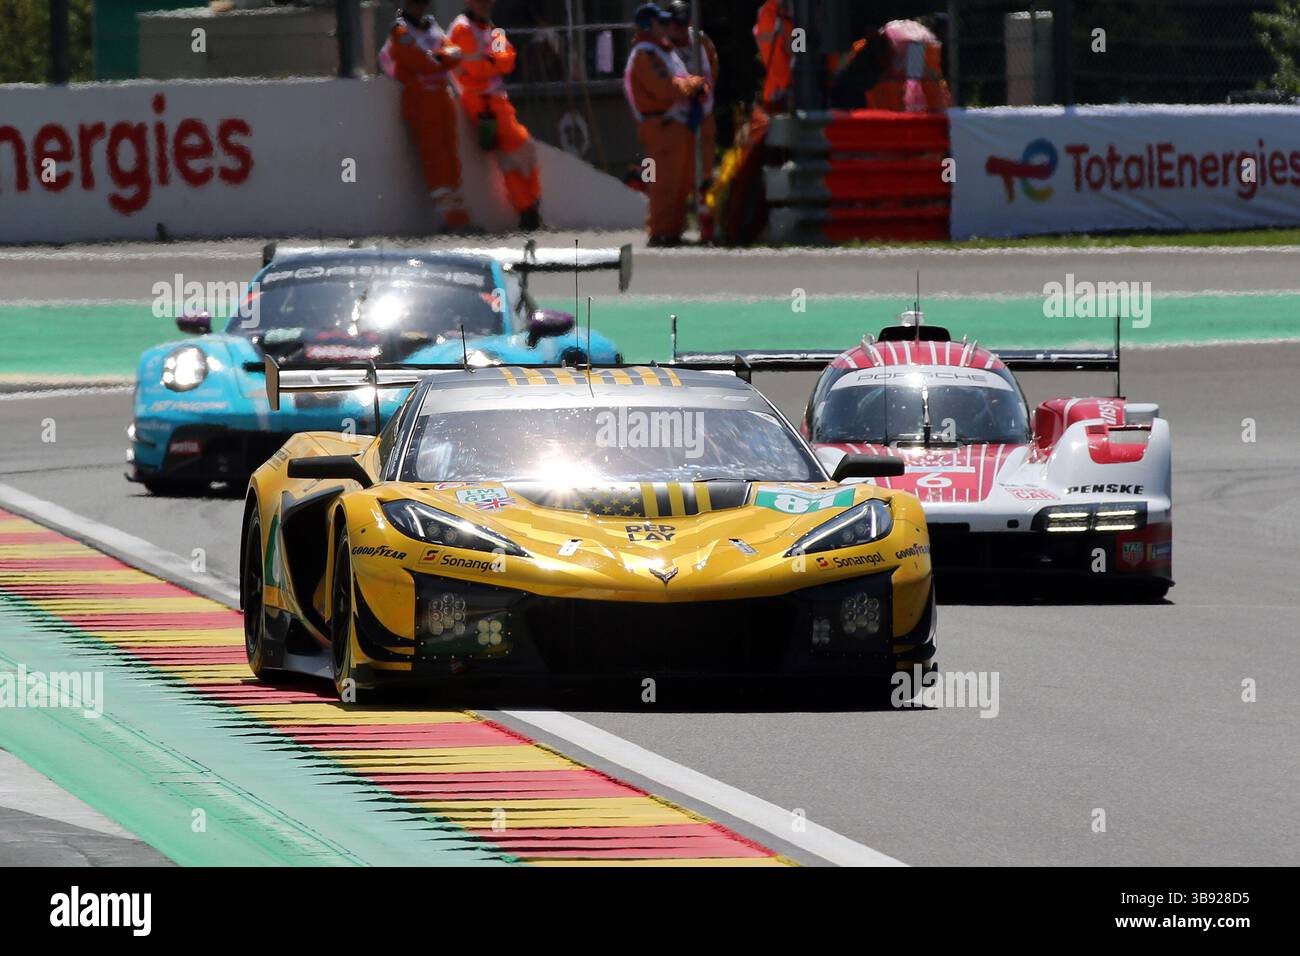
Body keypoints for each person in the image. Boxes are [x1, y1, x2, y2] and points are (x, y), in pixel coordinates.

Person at [449, 0, 543, 230]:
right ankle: (529, 205)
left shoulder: (493, 28)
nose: (485, 4)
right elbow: (475, 69)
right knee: (522, 147)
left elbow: (508, 61)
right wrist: (494, 62)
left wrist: (492, 62)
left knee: (512, 157)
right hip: (482, 102)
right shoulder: (462, 28)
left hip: (496, 100)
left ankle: (528, 209)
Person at [623, 3, 709, 246]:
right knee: (665, 184)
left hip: (674, 125)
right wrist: (694, 85)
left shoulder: (662, 51)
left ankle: (672, 231)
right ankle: (660, 233)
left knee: (679, 183)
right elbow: (666, 87)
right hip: (661, 126)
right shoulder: (645, 55)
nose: (668, 26)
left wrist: (695, 86)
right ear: (647, 26)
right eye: (661, 22)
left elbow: (682, 82)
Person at [380, 0, 469, 231]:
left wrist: (436, 58)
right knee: (435, 157)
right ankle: (448, 218)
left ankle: (459, 216)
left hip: (442, 98)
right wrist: (441, 58)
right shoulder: (400, 30)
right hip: (421, 101)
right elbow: (418, 60)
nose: (421, 6)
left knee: (451, 155)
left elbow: (456, 53)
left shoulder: (432, 27)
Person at [666, 1, 719, 188]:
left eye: (683, 24)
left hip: (703, 110)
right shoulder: (662, 47)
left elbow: (712, 71)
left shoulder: (701, 42)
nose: (679, 29)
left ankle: (705, 196)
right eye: (675, 25)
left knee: (705, 164)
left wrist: (702, 93)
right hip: (677, 115)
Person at [753, 0, 793, 112]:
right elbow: (779, 67)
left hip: (804, 97)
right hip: (779, 101)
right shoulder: (770, 14)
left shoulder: (801, 12)